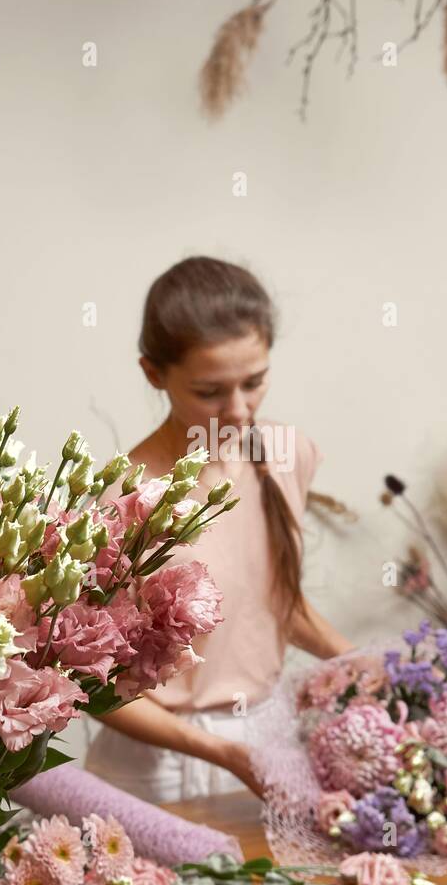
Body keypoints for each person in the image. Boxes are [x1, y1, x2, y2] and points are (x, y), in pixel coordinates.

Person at [85, 256, 354, 803]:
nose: (238, 409)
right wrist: (225, 755)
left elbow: (272, 605)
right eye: (209, 391)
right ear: (153, 373)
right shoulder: (124, 498)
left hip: (264, 739)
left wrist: (367, 666)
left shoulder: (284, 453)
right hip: (157, 766)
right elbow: (92, 685)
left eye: (254, 382)